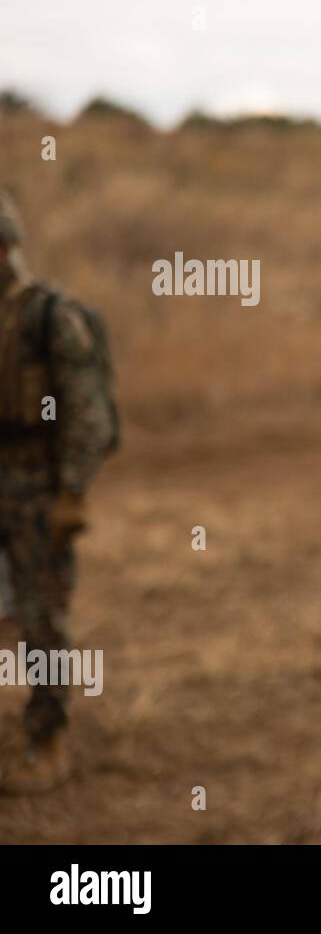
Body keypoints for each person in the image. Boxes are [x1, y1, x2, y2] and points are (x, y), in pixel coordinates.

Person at [0, 190, 118, 793]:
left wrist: (71, 491)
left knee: (42, 619)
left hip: (36, 489)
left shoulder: (48, 317)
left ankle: (48, 738)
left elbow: (88, 413)